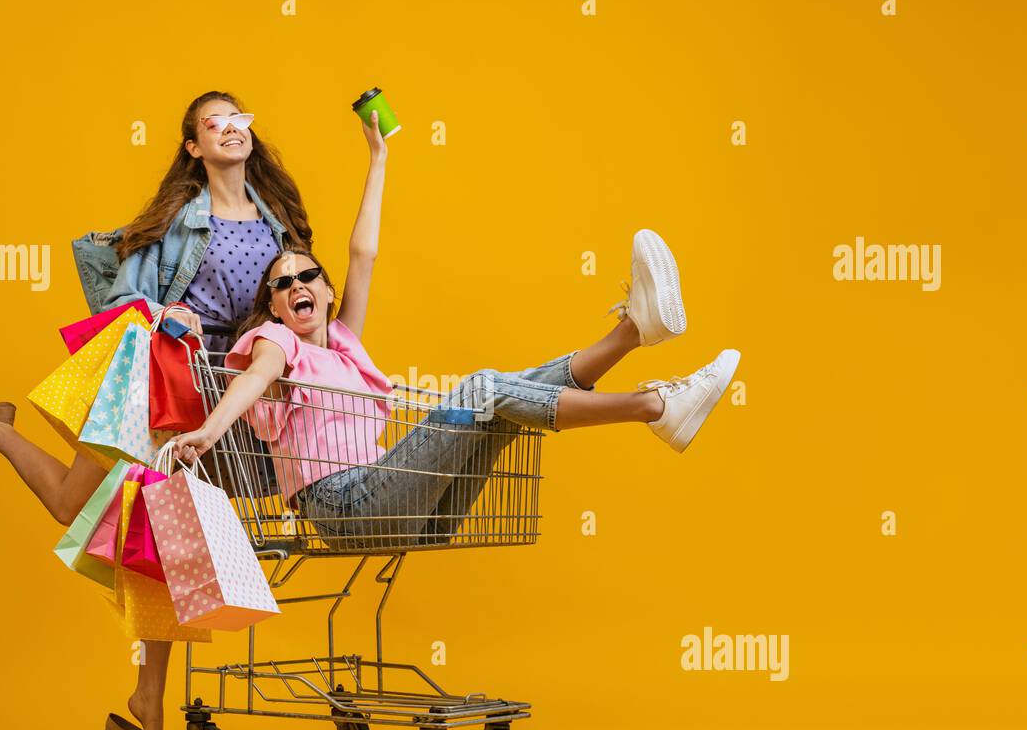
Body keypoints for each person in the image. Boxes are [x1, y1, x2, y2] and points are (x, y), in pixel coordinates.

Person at [171, 110, 741, 552]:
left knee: (498, 403)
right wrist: (211, 431)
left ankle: (634, 334)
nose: (296, 284)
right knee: (484, 391)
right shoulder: (277, 342)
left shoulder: (345, 343)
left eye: (307, 276)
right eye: (280, 283)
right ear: (272, 306)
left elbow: (363, 253)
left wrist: (379, 157)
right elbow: (254, 380)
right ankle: (653, 406)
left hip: (407, 506)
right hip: (345, 506)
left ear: (326, 293)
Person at [0, 91, 312, 730]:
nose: (231, 128)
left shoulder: (279, 223)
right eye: (213, 122)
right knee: (73, 504)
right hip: (164, 389)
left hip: (230, 397)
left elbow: (301, 299)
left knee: (170, 542)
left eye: (239, 119)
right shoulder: (180, 221)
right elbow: (123, 300)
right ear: (193, 147)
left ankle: (148, 703)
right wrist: (171, 315)